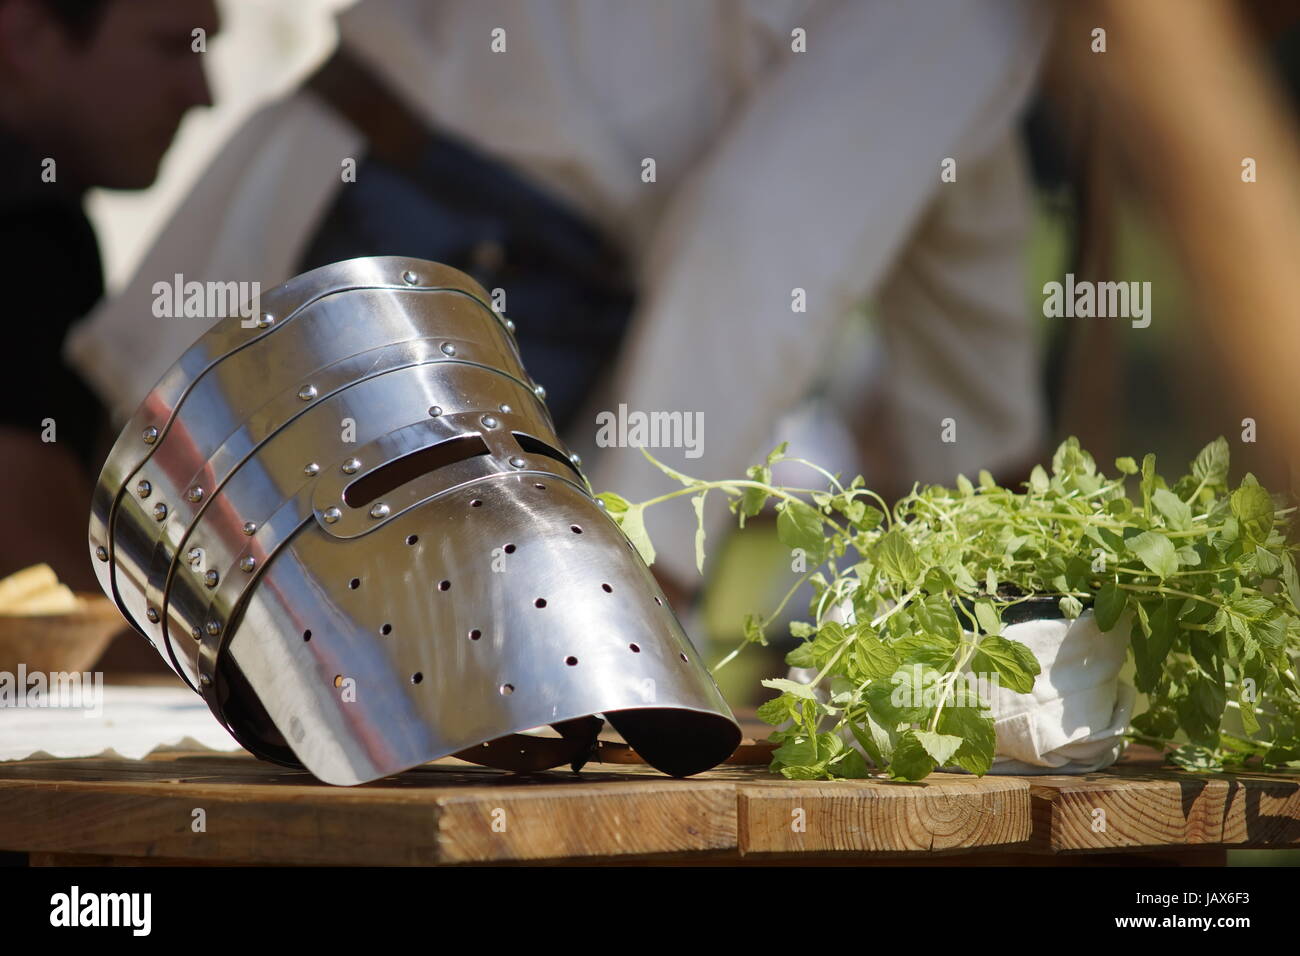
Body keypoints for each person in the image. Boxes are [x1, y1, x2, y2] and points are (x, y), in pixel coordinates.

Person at [69, 0, 1051, 606]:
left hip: (371, 212)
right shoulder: (972, 15)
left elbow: (963, 216)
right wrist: (640, 567)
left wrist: (1013, 505)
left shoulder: (974, 36)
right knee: (265, 708)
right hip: (404, 270)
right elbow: (755, 238)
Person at [0, 0, 217, 589]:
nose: (204, 93)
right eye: (174, 47)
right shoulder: (31, 227)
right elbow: (35, 579)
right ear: (26, 38)